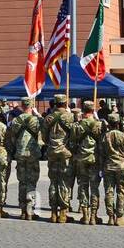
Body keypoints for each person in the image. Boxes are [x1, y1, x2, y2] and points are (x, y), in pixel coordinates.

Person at [5, 97, 42, 220]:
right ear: (31, 106)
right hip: (32, 154)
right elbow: (45, 128)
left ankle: (22, 210)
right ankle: (30, 210)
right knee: (31, 182)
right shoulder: (35, 120)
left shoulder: (16, 120)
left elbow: (11, 135)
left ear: (22, 105)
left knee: (22, 182)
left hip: (20, 153)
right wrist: (37, 114)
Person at [42, 94, 76, 223]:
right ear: (65, 103)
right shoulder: (69, 117)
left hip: (51, 153)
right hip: (65, 153)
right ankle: (63, 213)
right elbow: (73, 136)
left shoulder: (48, 118)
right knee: (64, 183)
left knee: (53, 182)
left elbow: (44, 137)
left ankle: (53, 213)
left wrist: (51, 144)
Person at [74, 104, 103, 224]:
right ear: (93, 110)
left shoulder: (77, 125)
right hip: (94, 158)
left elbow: (73, 140)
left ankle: (85, 215)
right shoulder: (98, 125)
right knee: (94, 187)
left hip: (81, 158)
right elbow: (102, 141)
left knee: (83, 186)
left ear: (84, 110)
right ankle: (93, 216)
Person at [102, 116, 124, 226]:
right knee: (121, 191)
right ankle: (119, 217)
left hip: (109, 166)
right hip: (122, 166)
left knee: (109, 191)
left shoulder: (105, 136)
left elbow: (101, 152)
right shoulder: (123, 136)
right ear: (118, 123)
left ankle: (110, 217)